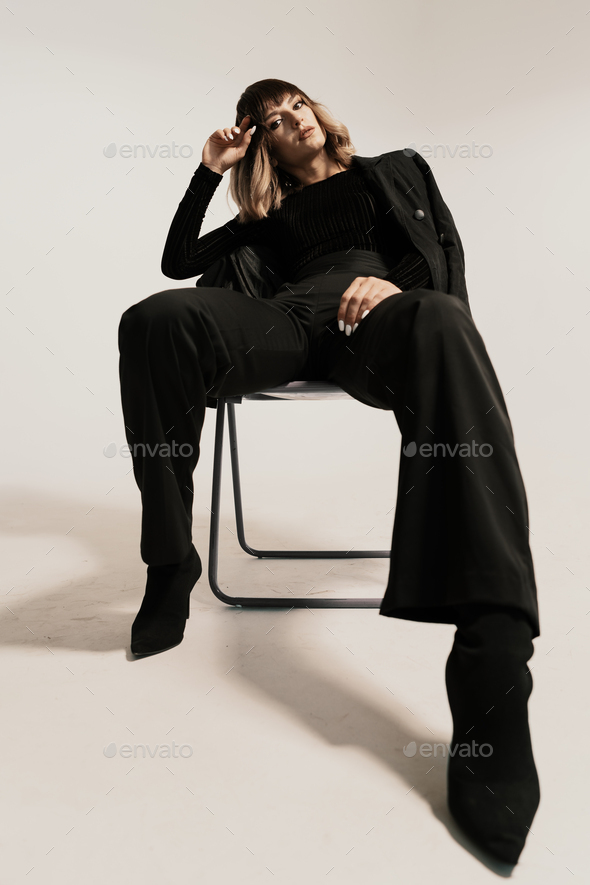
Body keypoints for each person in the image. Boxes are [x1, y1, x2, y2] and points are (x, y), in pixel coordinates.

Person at [118, 79, 540, 866]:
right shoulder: (265, 214)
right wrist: (210, 170)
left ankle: (493, 666)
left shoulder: (395, 171)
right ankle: (170, 562)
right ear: (265, 145)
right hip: (283, 321)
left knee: (442, 318)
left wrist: (399, 288)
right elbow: (177, 261)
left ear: (320, 110)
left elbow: (444, 260)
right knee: (154, 318)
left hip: (373, 314)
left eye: (295, 106)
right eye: (271, 123)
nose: (288, 122)